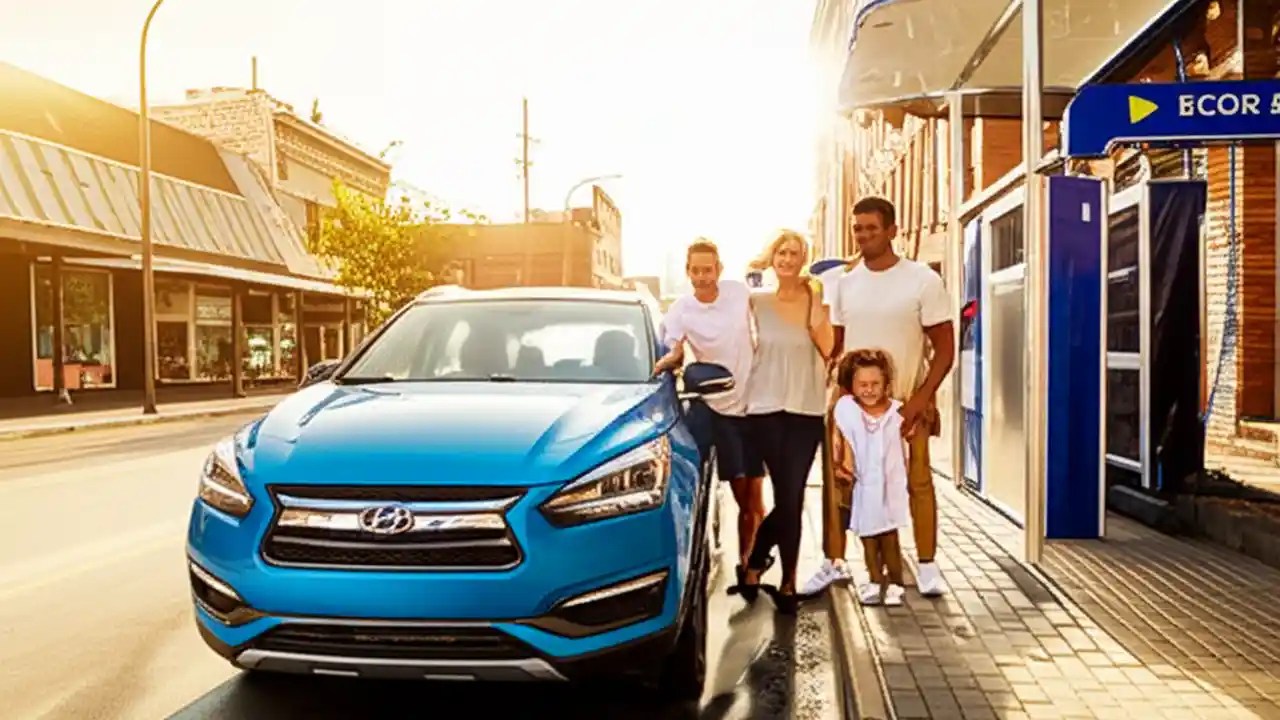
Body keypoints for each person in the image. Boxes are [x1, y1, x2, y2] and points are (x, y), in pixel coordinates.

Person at [809, 196, 955, 597]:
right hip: (854, 408)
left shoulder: (922, 279)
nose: (864, 235)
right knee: (843, 486)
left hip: (906, 404)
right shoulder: (845, 283)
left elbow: (944, 348)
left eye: (872, 228)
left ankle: (926, 566)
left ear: (892, 230)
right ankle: (833, 562)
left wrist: (921, 401)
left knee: (918, 484)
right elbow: (837, 347)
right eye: (858, 228)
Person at [732, 230, 834, 614]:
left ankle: (759, 561)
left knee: (793, 495)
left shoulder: (816, 298)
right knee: (787, 494)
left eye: (795, 253)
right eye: (782, 253)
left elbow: (827, 348)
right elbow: (733, 339)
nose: (788, 259)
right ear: (773, 258)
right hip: (766, 407)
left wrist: (816, 308)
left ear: (803, 259)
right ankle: (787, 583)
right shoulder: (756, 302)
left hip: (806, 408)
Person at [654, 238, 766, 587]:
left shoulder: (737, 293)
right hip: (716, 407)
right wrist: (668, 362)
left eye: (708, 269)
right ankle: (725, 560)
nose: (702, 277)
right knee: (720, 491)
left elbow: (773, 309)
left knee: (752, 495)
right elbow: (673, 349)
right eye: (696, 271)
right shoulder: (681, 310)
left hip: (753, 405)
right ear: (688, 272)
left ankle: (750, 564)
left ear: (719, 269)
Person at [832, 349, 910, 606]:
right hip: (865, 485)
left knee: (889, 536)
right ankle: (875, 580)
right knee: (868, 538)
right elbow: (841, 438)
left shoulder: (898, 413)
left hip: (890, 485)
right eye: (862, 384)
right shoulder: (848, 410)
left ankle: (896, 583)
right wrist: (843, 465)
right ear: (852, 385)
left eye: (875, 384)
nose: (869, 390)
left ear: (886, 383)